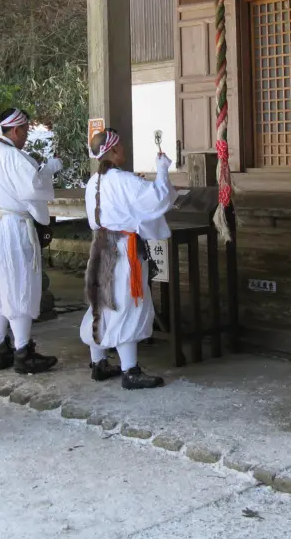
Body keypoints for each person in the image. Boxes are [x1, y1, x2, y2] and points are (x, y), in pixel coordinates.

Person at [83, 128, 175, 390]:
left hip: (100, 247)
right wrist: (163, 168)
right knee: (126, 305)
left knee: (101, 302)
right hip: (123, 249)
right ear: (112, 151)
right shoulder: (123, 180)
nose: (124, 149)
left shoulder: (93, 183)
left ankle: (98, 362)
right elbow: (158, 198)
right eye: (120, 146)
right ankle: (130, 371)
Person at [0, 108, 62, 374]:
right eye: (25, 130)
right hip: (13, 226)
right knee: (20, 285)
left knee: (0, 287)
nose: (26, 136)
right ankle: (24, 351)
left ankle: (0, 347)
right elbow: (33, 189)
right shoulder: (12, 156)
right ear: (15, 130)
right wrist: (49, 169)